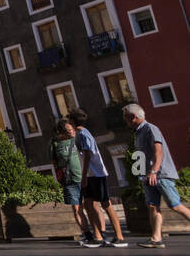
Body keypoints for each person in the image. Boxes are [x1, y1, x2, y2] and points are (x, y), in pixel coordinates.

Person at [125, 103, 190, 247]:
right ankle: (156, 239)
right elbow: (141, 155)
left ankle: (156, 238)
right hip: (148, 176)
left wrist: (154, 171)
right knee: (152, 206)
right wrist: (141, 175)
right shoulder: (138, 133)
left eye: (126, 117)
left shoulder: (150, 129)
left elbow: (158, 152)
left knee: (175, 205)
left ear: (133, 117)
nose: (125, 120)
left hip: (160, 174)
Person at [69, 110, 127, 247]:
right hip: (90, 175)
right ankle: (97, 236)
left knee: (106, 204)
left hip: (96, 174)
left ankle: (119, 236)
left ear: (73, 120)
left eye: (70, 119)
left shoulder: (83, 134)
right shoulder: (79, 134)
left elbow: (88, 155)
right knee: (88, 205)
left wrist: (83, 176)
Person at [51, 119, 95, 244]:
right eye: (69, 131)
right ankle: (88, 235)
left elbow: (87, 154)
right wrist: (59, 177)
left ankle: (99, 233)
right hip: (69, 180)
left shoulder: (77, 139)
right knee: (77, 209)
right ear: (62, 132)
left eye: (72, 130)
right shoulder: (54, 143)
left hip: (84, 177)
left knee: (92, 206)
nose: (72, 132)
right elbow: (54, 162)